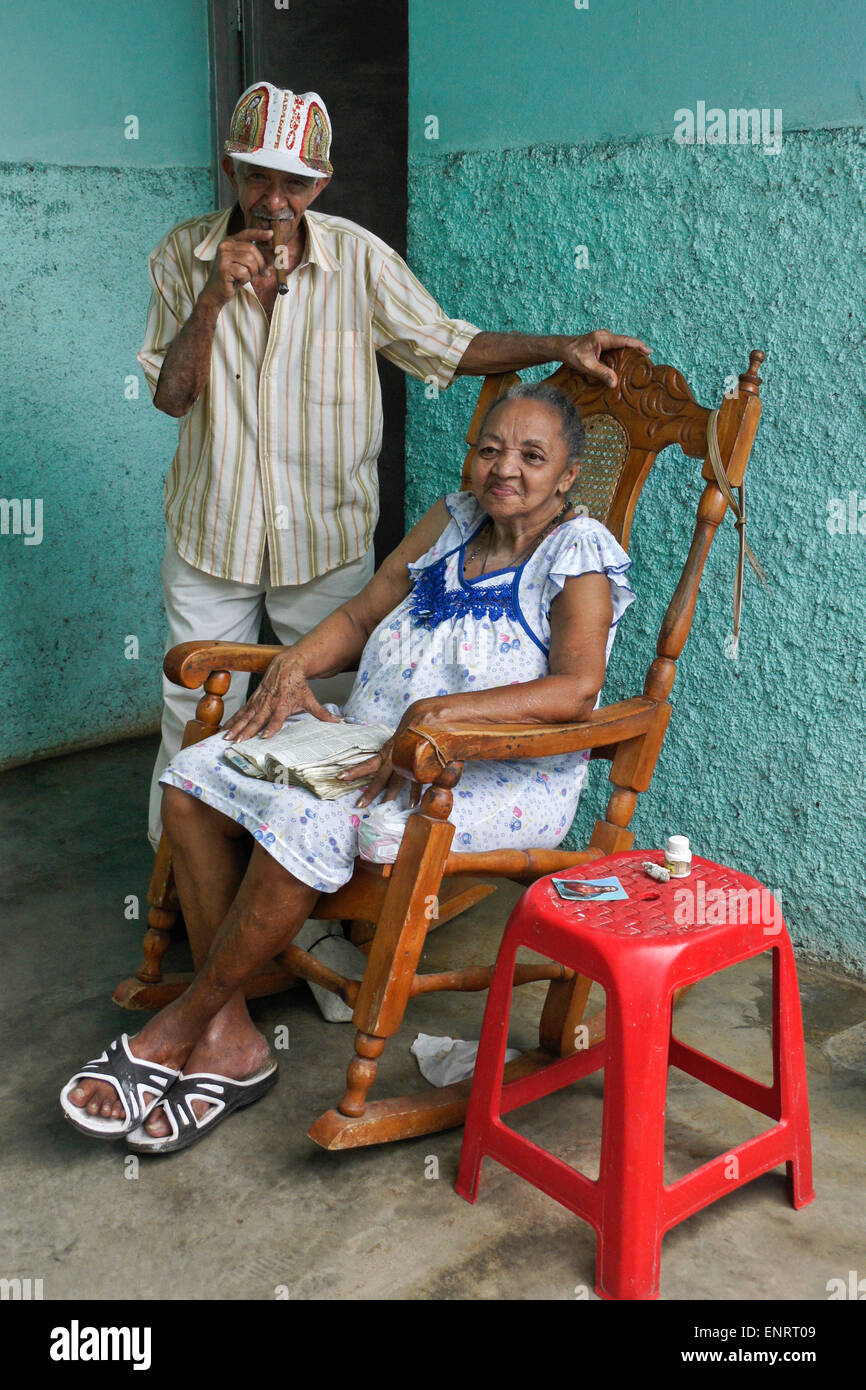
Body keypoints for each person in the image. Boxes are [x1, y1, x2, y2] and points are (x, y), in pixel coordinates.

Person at [61, 383, 636, 1153]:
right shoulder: (452, 519)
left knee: (307, 814)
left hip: (488, 777)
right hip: (376, 747)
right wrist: (293, 666)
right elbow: (365, 615)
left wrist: (436, 719)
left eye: (533, 456)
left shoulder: (577, 553)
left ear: (567, 476)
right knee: (198, 776)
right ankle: (230, 1033)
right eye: (491, 448)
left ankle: (185, 1021)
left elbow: (576, 688)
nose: (505, 469)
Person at [138, 78, 651, 848]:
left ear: (321, 182)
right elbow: (173, 397)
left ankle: (289, 888)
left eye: (293, 180)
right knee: (192, 721)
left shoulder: (358, 261)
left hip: (325, 538)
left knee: (322, 718)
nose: (273, 198)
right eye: (256, 176)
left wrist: (558, 346)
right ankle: (187, 888)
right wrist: (214, 296)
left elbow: (448, 344)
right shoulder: (185, 254)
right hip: (213, 533)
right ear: (230, 171)